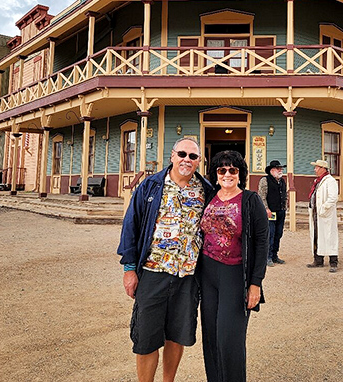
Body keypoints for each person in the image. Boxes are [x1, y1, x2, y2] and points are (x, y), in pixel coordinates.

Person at [117, 137, 213, 382]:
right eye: (182, 154)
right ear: (172, 156)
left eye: (193, 156)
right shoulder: (151, 186)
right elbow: (131, 226)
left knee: (176, 335)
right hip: (153, 272)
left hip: (188, 276)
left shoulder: (206, 190)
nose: (186, 160)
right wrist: (129, 269)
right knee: (146, 338)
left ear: (198, 161)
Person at [199, 150, 268, 382]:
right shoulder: (210, 197)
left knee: (229, 339)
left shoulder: (250, 200)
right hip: (207, 274)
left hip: (234, 274)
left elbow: (261, 242)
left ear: (240, 174)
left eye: (233, 170)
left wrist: (256, 283)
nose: (227, 174)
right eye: (222, 170)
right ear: (215, 174)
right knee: (211, 336)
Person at [306, 160, 340, 272]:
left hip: (325, 213)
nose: (315, 170)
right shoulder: (318, 181)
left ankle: (333, 262)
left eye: (316, 167)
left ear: (323, 168)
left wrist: (324, 208)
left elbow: (333, 198)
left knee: (329, 236)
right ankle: (318, 259)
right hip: (316, 213)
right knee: (316, 236)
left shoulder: (330, 181)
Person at [257, 159, 288, 267]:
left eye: (281, 169)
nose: (281, 170)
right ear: (272, 170)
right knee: (270, 233)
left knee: (278, 234)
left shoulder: (282, 181)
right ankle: (268, 257)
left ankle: (275, 255)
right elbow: (261, 196)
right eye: (278, 169)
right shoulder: (264, 180)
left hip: (281, 211)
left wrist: (285, 208)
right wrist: (266, 209)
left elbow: (285, 195)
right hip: (270, 212)